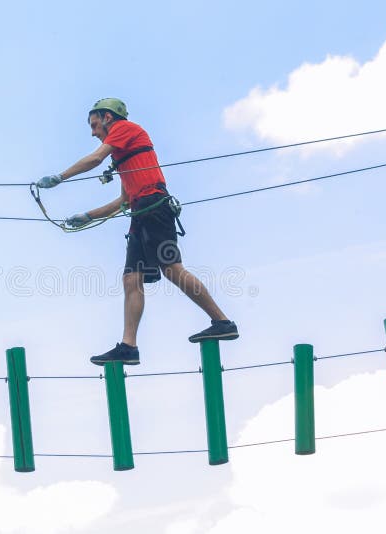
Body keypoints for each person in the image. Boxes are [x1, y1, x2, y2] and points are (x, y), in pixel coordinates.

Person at [37, 98, 238, 366]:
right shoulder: (123, 156)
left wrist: (60, 177)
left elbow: (96, 159)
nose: (93, 133)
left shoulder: (124, 128)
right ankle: (128, 347)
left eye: (95, 125)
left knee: (172, 269)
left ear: (108, 117)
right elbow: (123, 202)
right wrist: (86, 217)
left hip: (154, 206)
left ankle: (222, 322)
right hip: (140, 212)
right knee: (132, 279)